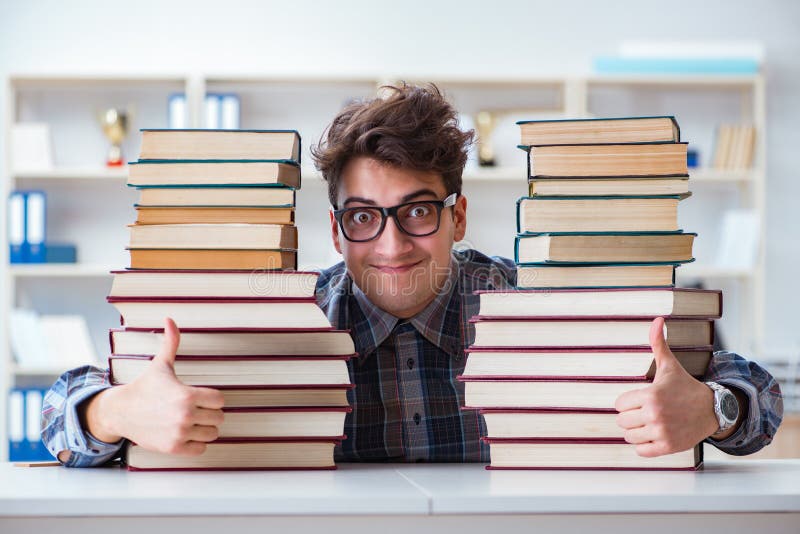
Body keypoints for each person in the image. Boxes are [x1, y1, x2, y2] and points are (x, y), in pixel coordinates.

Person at [42, 83, 783, 466]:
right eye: (364, 216)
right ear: (336, 230)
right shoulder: (284, 317)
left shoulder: (539, 302)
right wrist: (112, 416)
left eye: (418, 212)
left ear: (458, 217)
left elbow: (756, 392)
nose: (391, 243)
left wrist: (712, 410)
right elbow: (58, 409)